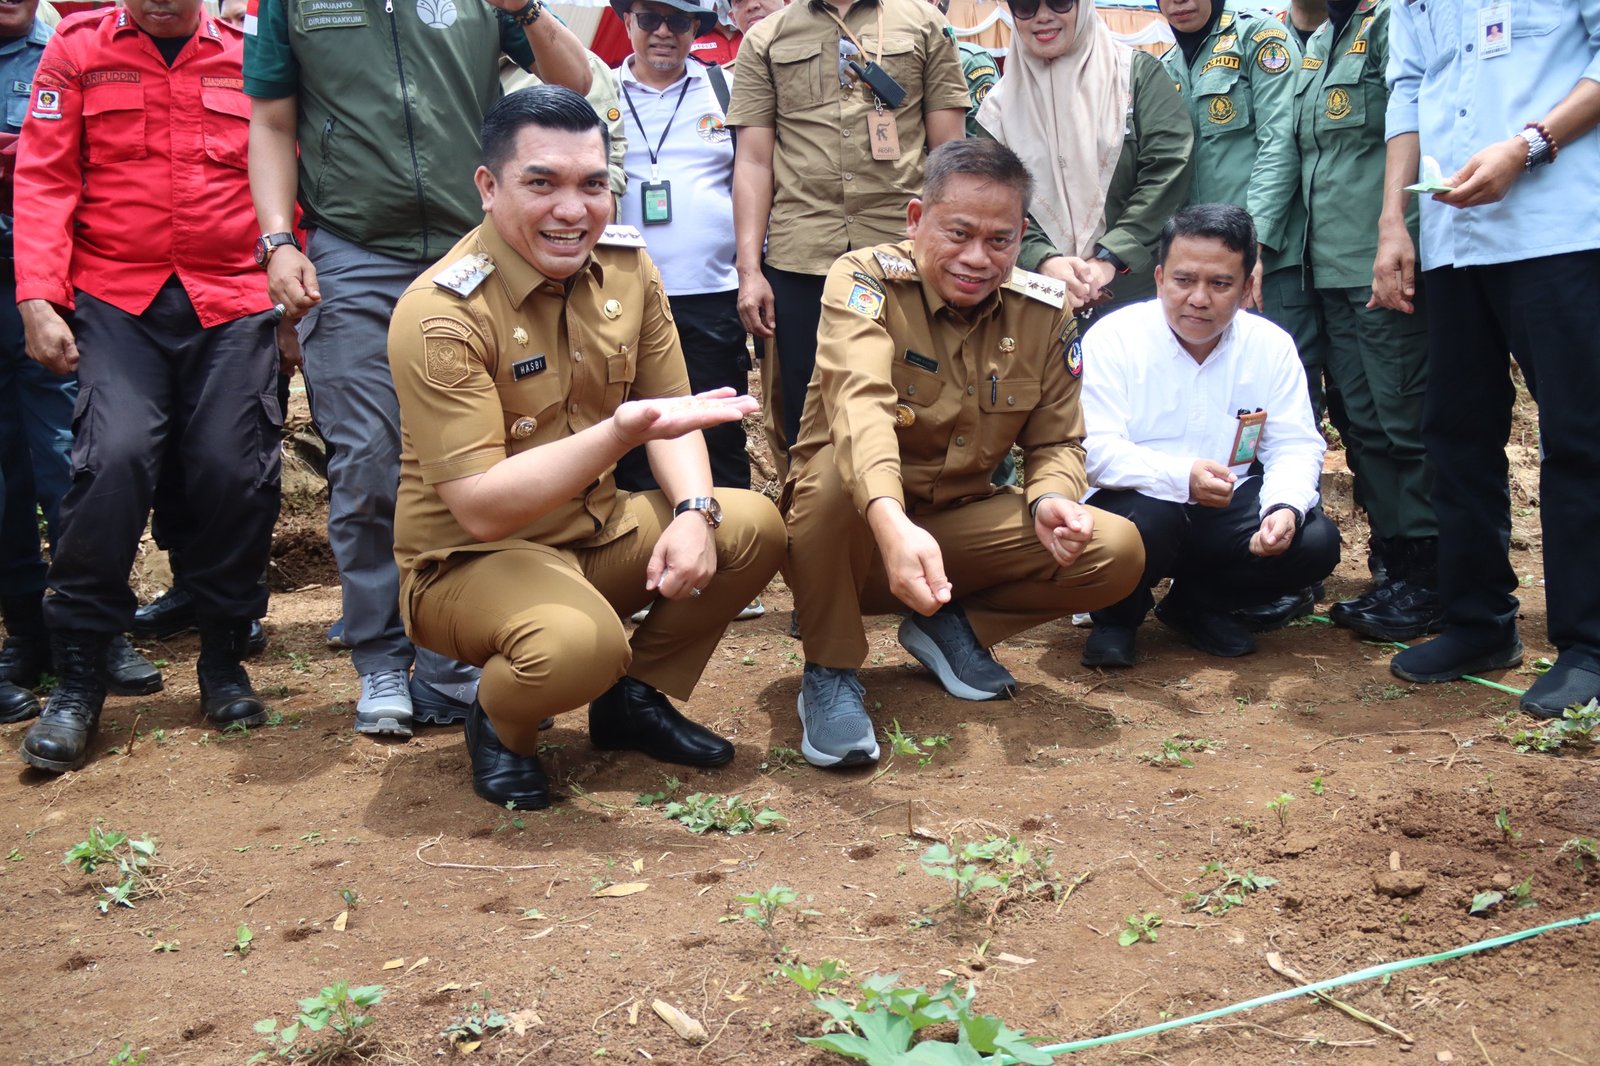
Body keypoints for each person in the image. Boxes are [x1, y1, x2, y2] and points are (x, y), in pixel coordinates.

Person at [388, 87, 786, 808]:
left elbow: (676, 417)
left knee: (748, 525)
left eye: (592, 184)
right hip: (471, 562)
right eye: (542, 183)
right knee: (583, 645)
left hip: (592, 534)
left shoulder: (628, 270)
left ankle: (633, 702)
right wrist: (619, 433)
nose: (573, 210)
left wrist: (695, 511)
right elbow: (478, 509)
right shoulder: (441, 314)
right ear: (488, 186)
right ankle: (501, 725)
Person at [245, 0, 594, 737]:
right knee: (368, 464)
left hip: (476, 253)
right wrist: (278, 241)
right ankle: (379, 656)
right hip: (353, 249)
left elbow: (577, 81)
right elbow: (272, 122)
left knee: (478, 459)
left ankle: (450, 660)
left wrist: (525, 10)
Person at [782, 139, 1144, 767]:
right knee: (837, 480)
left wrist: (1052, 497)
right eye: (958, 233)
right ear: (916, 219)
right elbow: (861, 406)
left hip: (953, 532)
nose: (977, 258)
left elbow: (1057, 438)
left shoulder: (1043, 311)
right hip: (851, 535)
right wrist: (891, 520)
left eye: (1000, 240)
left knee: (1114, 549)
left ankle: (954, 629)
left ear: (1022, 235)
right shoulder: (863, 280)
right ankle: (831, 668)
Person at [14, 0, 285, 773]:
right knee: (114, 462)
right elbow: (43, 177)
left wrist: (289, 278)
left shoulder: (251, 50)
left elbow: (288, 165)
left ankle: (223, 657)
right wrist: (38, 295)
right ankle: (79, 675)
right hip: (115, 297)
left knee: (236, 473)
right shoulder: (77, 45)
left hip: (232, 295)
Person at [1378, 2, 1600, 717]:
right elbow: (1407, 89)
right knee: (1455, 435)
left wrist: (1529, 145)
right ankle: (1479, 623)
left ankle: (1589, 647)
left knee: (1580, 439)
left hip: (1559, 229)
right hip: (1452, 237)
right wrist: (1392, 223)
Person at [1078, 204, 1340, 666]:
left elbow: (1295, 444)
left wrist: (1283, 507)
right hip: (1136, 505)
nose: (1199, 298)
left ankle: (1197, 604)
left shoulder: (1270, 346)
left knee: (1314, 541)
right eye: (1184, 280)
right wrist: (1182, 476)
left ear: (1244, 288)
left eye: (1220, 284)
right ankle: (1117, 617)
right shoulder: (1113, 338)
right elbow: (1093, 451)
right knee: (1150, 519)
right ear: (1159, 278)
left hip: (1225, 508)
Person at [0, 0, 165, 721]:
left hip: (54, 282)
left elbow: (55, 167)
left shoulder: (69, 44)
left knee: (76, 459)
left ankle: (93, 633)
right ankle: (24, 634)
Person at [726, 0, 969, 463]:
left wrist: (951, 250)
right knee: (806, 406)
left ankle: (906, 520)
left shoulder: (923, 23)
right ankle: (811, 518)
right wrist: (749, 270)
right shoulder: (767, 37)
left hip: (901, 253)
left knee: (915, 397)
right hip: (802, 255)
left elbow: (949, 151)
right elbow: (754, 161)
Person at [1156, 0, 1322, 631]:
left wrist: (1254, 248)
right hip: (1197, 268)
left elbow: (1280, 139)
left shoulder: (1260, 37)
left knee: (1283, 410)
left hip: (1257, 262)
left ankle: (1288, 566)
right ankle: (1213, 565)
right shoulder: (1160, 58)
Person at [1294, 0, 1437, 642]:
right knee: (1365, 426)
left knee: (1406, 421)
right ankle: (1400, 568)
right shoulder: (1325, 37)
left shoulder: (1389, 25)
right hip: (1327, 266)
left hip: (1382, 260)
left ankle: (1437, 573)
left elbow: (1410, 133)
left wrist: (1395, 236)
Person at [977, 0, 1193, 317]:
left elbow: (1168, 172)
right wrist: (1043, 259)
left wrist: (1111, 256)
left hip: (1134, 295)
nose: (1044, 17)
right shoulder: (995, 110)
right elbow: (995, 198)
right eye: (1026, 6)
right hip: (1037, 298)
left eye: (1060, 2)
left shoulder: (1135, 76)